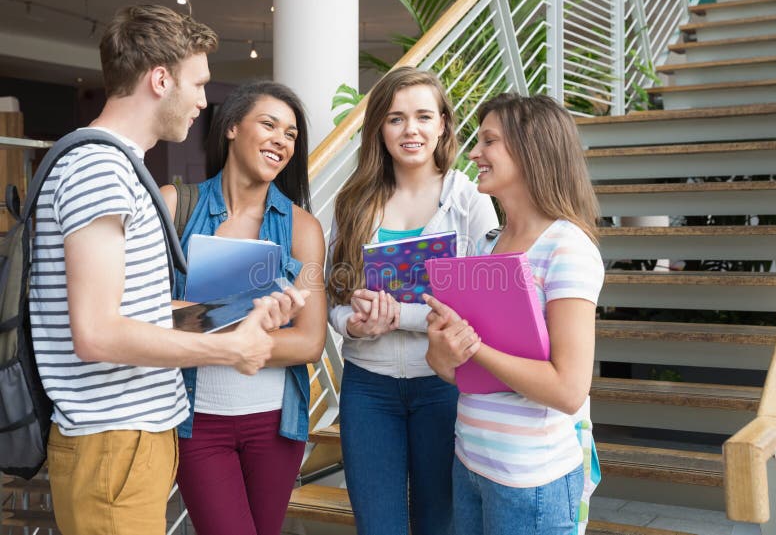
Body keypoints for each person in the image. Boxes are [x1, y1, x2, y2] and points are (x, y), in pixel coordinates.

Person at [30, 5, 307, 535]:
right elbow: (98, 334)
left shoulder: (114, 168)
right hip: (115, 442)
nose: (205, 101)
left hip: (128, 445)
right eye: (198, 83)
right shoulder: (100, 170)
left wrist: (245, 312)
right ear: (160, 79)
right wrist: (228, 349)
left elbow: (141, 312)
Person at [326, 66, 499, 535]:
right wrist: (352, 326)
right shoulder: (354, 202)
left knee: (437, 525)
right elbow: (335, 296)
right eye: (396, 118)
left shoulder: (470, 201)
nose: (411, 130)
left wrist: (400, 315)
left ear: (443, 123)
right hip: (368, 388)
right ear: (379, 128)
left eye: (424, 116)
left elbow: (479, 307)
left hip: (441, 385)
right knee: (377, 526)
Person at [424, 93, 604, 535]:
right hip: (470, 462)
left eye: (489, 141)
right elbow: (456, 372)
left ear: (530, 150)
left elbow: (568, 389)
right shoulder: (488, 243)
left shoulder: (568, 248)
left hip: (530, 480)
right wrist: (442, 348)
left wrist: (476, 348)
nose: (473, 153)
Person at [159, 81, 327, 535]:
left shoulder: (302, 228)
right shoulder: (176, 207)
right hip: (199, 423)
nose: (282, 140)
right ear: (231, 127)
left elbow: (310, 341)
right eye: (269, 124)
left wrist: (203, 319)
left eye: (291, 134)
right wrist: (243, 325)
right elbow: (144, 316)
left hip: (275, 425)